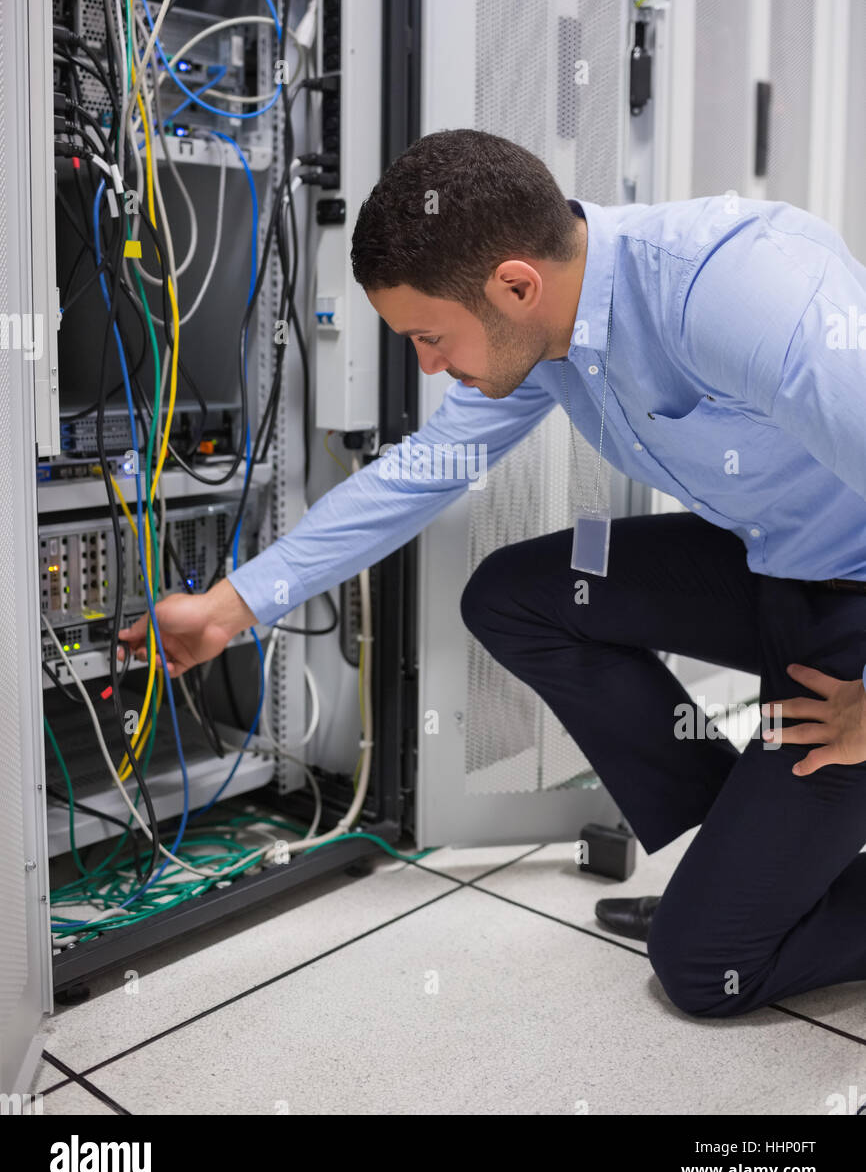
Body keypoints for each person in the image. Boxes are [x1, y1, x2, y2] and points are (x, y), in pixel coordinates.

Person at [119, 127, 866, 1019]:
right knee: (518, 597)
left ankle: (746, 895)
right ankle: (745, 854)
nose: (429, 365)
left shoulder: (740, 291)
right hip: (772, 562)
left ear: (516, 285)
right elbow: (420, 471)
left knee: (706, 968)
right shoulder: (551, 327)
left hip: (849, 617)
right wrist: (232, 606)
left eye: (431, 337)